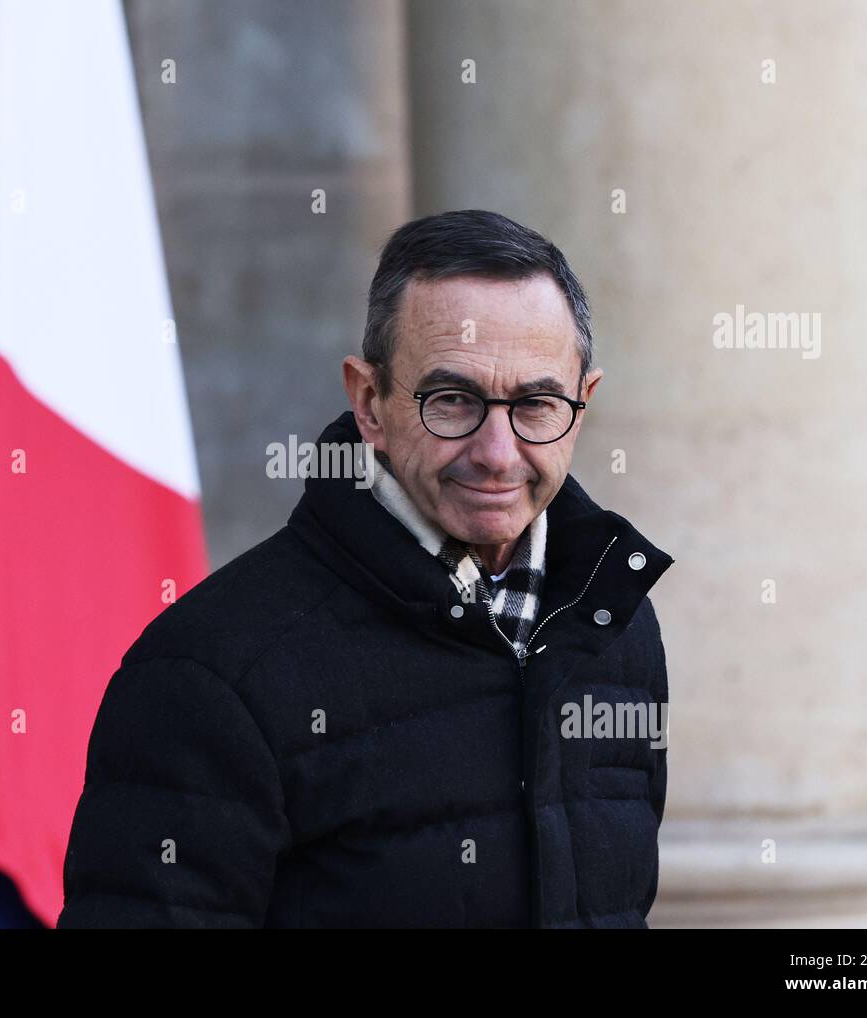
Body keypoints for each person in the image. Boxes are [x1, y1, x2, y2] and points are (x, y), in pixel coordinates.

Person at [57, 209, 675, 928]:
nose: (498, 453)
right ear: (368, 403)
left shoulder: (616, 629)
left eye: (535, 404)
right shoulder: (208, 675)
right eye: (452, 401)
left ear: (583, 402)